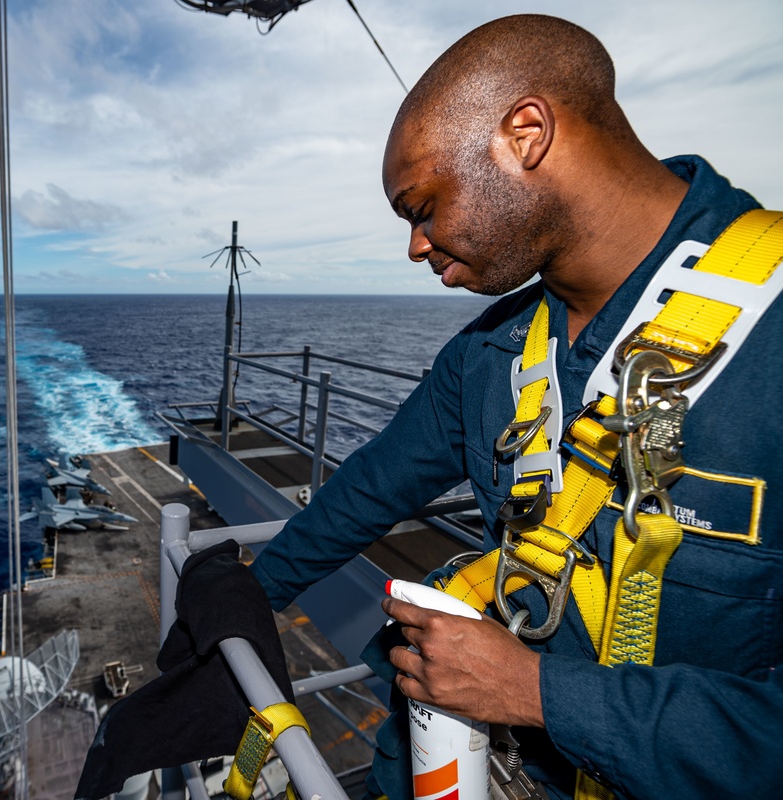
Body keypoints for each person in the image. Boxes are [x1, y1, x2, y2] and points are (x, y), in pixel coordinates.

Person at [248, 13, 783, 800]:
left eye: (423, 206)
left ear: (526, 132)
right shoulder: (488, 357)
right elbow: (368, 490)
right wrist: (242, 596)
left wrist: (537, 693)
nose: (415, 246)